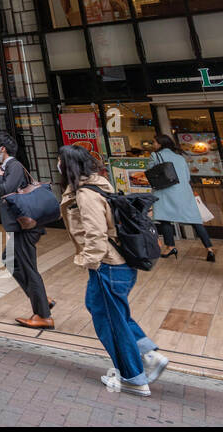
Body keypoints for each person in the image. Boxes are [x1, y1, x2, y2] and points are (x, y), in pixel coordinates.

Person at [57, 143, 167, 397]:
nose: (58, 166)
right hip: (119, 264)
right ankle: (147, 355)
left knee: (111, 321)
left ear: (68, 166)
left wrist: (89, 261)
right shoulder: (100, 185)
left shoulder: (86, 194)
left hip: (108, 264)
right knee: (104, 309)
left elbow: (95, 234)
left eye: (60, 162)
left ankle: (133, 377)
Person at [0, 131, 54, 329]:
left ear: (3, 149)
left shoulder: (13, 166)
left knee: (28, 268)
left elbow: (6, 189)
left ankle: (43, 315)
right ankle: (42, 299)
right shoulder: (8, 166)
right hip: (20, 226)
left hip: (25, 227)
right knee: (9, 260)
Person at [148, 134, 213, 262]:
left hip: (164, 192)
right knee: (195, 221)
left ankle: (170, 246)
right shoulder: (179, 158)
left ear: (160, 144)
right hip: (184, 192)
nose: (153, 145)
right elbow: (187, 177)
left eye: (154, 142)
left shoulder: (155, 156)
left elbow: (150, 173)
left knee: (165, 219)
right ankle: (209, 249)